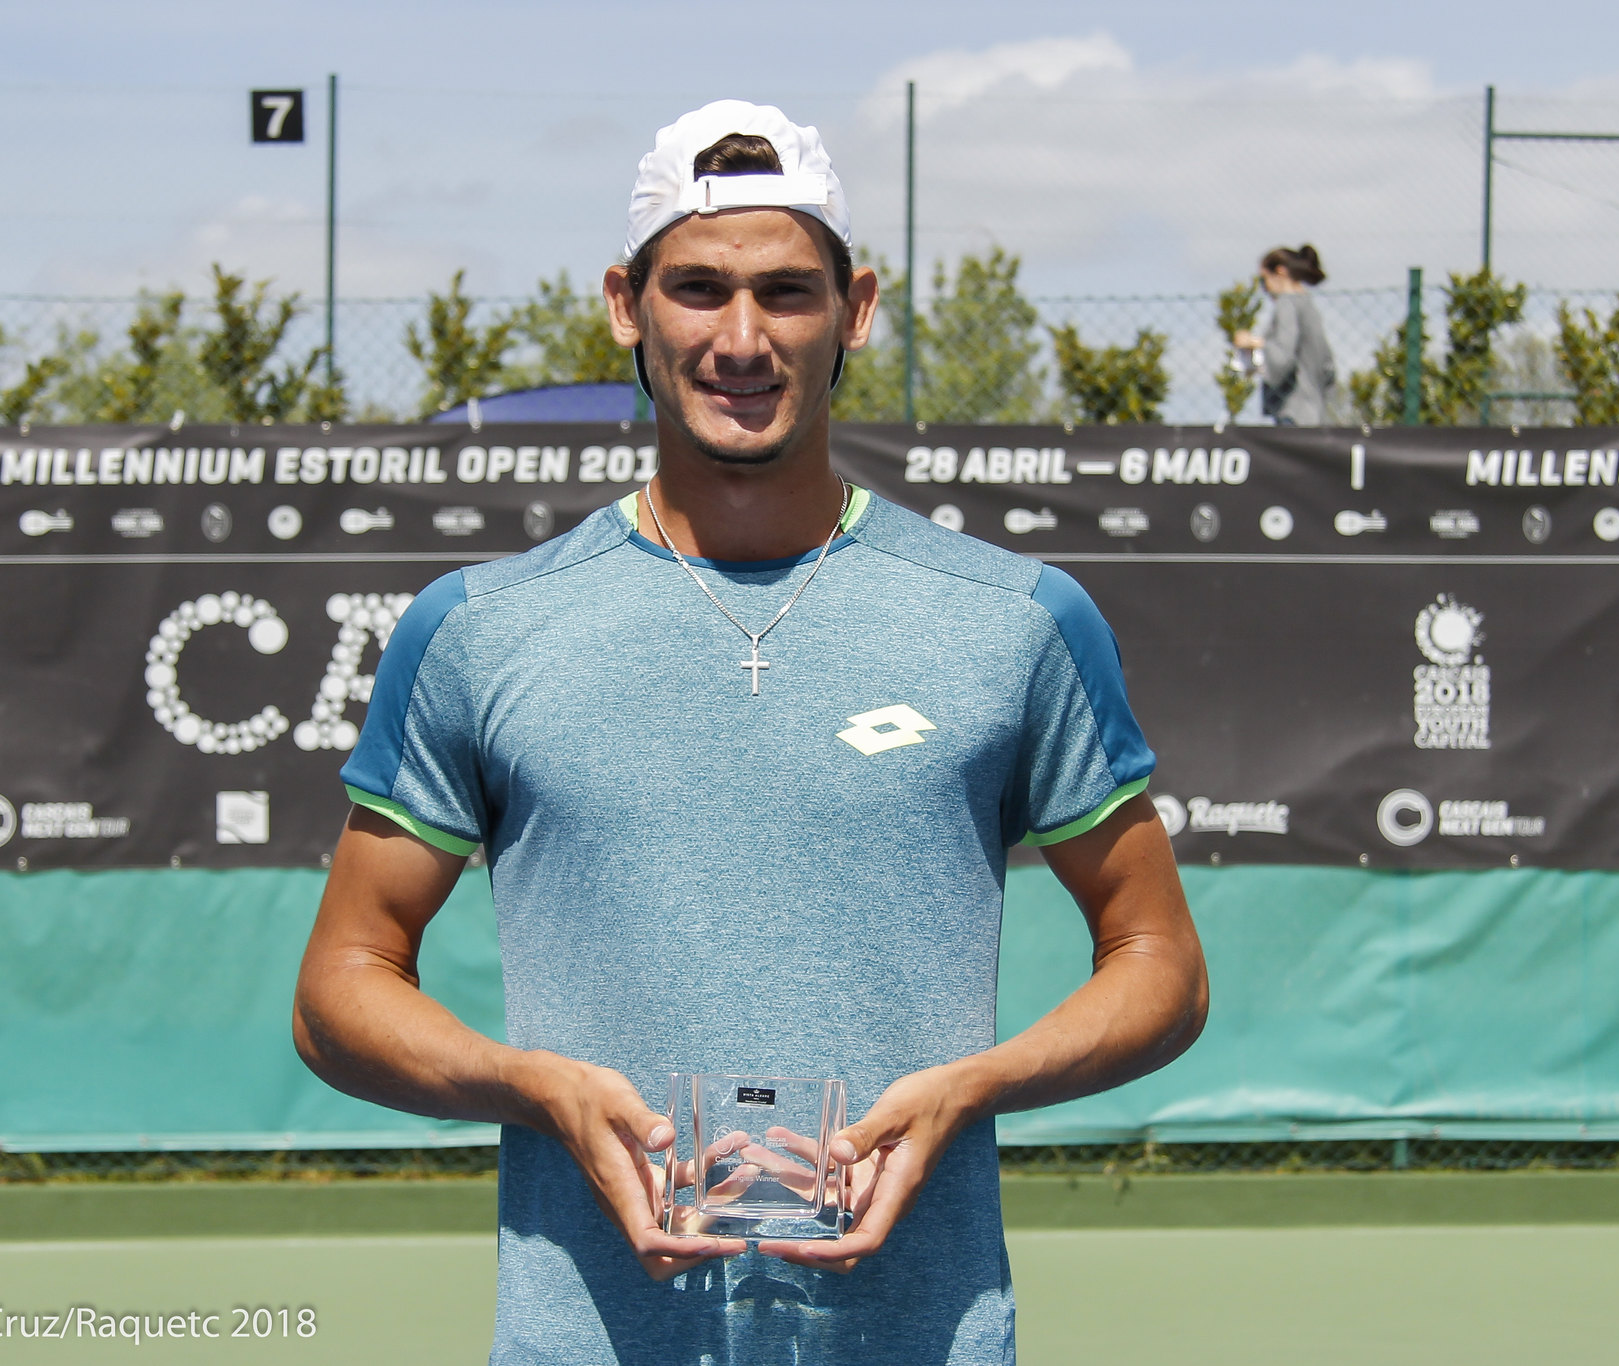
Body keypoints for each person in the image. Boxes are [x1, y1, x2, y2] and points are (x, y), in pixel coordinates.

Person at [293, 99, 1208, 1366]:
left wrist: (969, 1085)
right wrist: (538, 1086)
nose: (741, 338)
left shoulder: (1018, 620)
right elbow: (338, 988)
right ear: (627, 303)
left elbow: (1158, 956)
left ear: (856, 308)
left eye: (785, 292)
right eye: (697, 289)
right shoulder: (477, 630)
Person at [1234, 244, 1337, 425]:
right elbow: (1327, 365)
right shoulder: (1308, 306)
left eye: (1264, 279)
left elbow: (1282, 355)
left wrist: (1254, 344)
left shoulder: (1287, 304)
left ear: (1280, 272)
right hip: (1315, 410)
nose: (1264, 288)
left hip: (1293, 410)